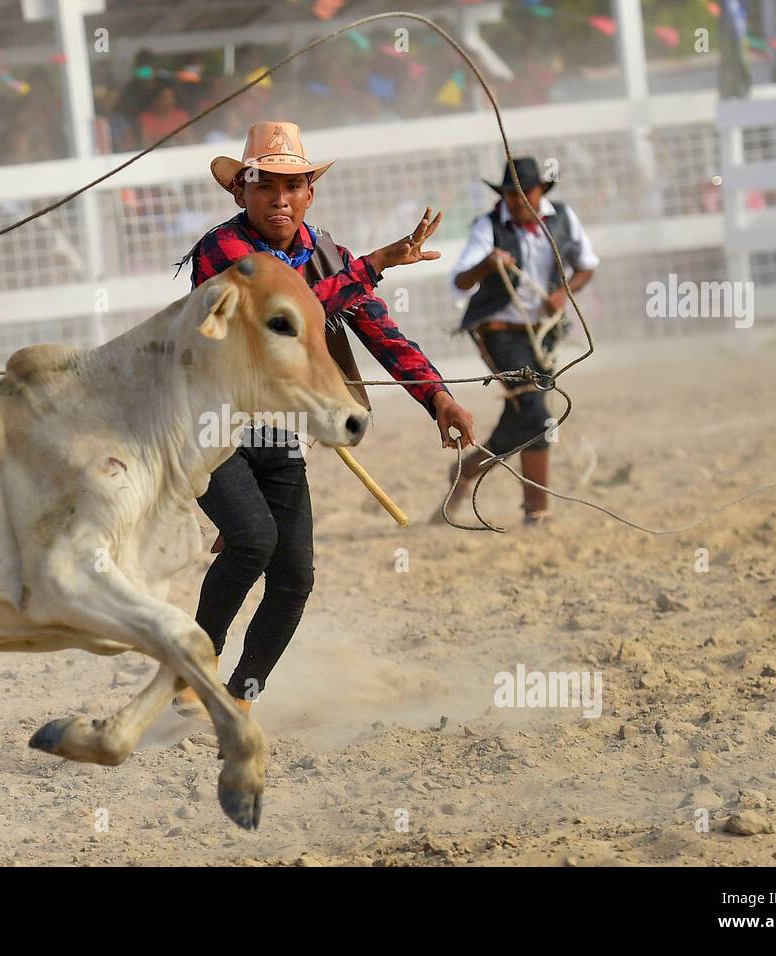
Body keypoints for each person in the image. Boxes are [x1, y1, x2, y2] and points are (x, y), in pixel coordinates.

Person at [171, 121, 475, 716]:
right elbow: (280, 316)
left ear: (310, 192)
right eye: (265, 186)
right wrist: (376, 262)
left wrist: (437, 398)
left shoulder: (330, 256)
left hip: (279, 428)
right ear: (241, 194)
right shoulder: (222, 250)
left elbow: (381, 333)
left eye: (293, 185)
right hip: (212, 424)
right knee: (254, 540)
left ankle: (240, 698)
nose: (278, 198)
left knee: (294, 578)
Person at [444, 157, 600, 525]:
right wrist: (487, 264)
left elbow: (588, 264)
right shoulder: (488, 226)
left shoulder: (563, 218)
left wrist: (562, 293)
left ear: (539, 192)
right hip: (498, 331)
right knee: (537, 416)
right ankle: (537, 511)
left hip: (541, 334)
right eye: (510, 194)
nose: (515, 201)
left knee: (521, 418)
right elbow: (460, 282)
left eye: (522, 193)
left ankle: (467, 472)